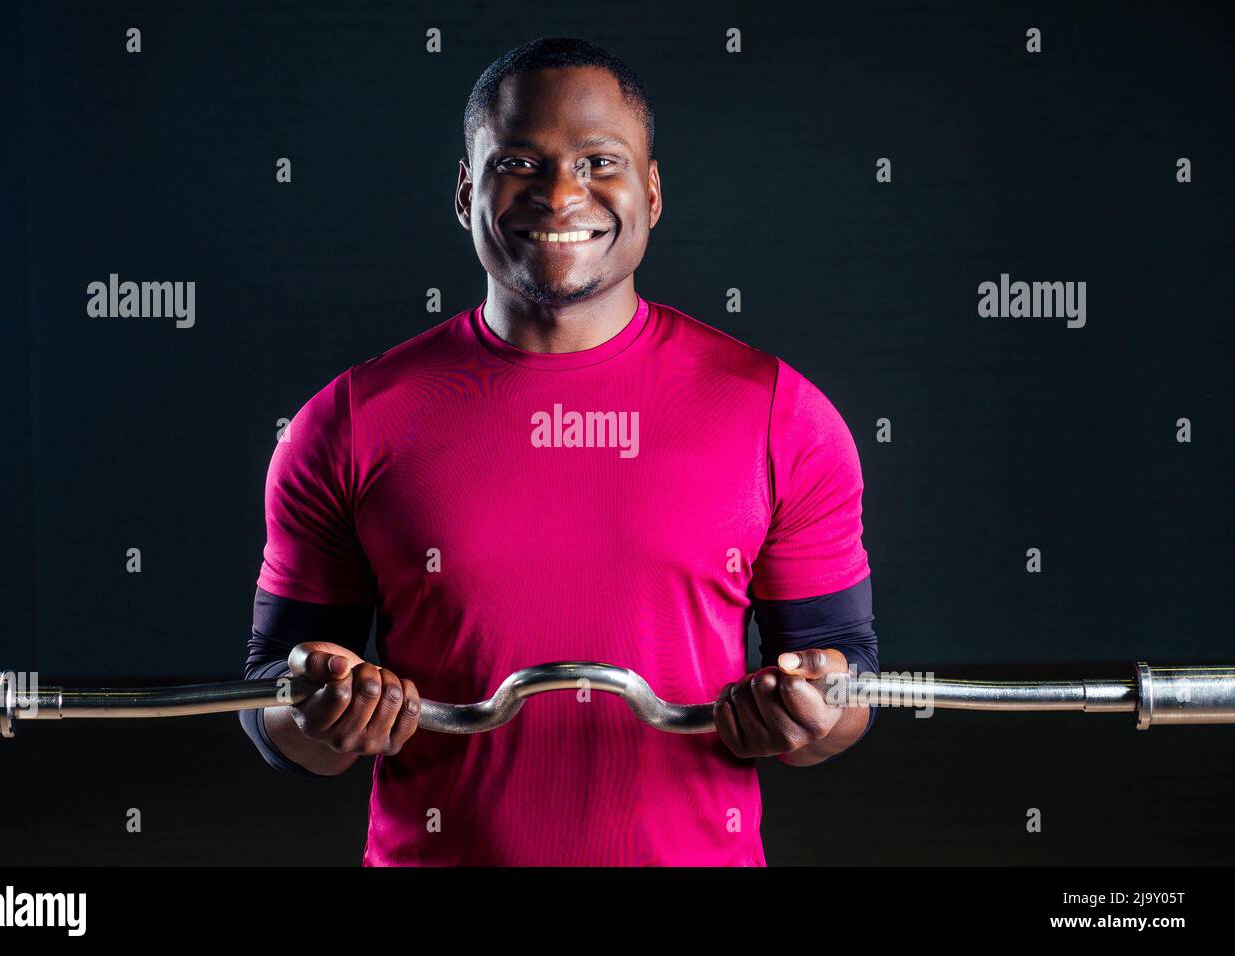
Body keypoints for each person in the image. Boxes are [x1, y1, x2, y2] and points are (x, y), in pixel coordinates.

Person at [240, 36, 879, 866]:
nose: (560, 194)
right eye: (518, 164)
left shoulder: (780, 416)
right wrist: (320, 713)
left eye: (599, 162)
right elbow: (270, 702)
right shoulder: (347, 423)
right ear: (466, 191)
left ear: (651, 191)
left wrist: (809, 716)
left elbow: (848, 680)